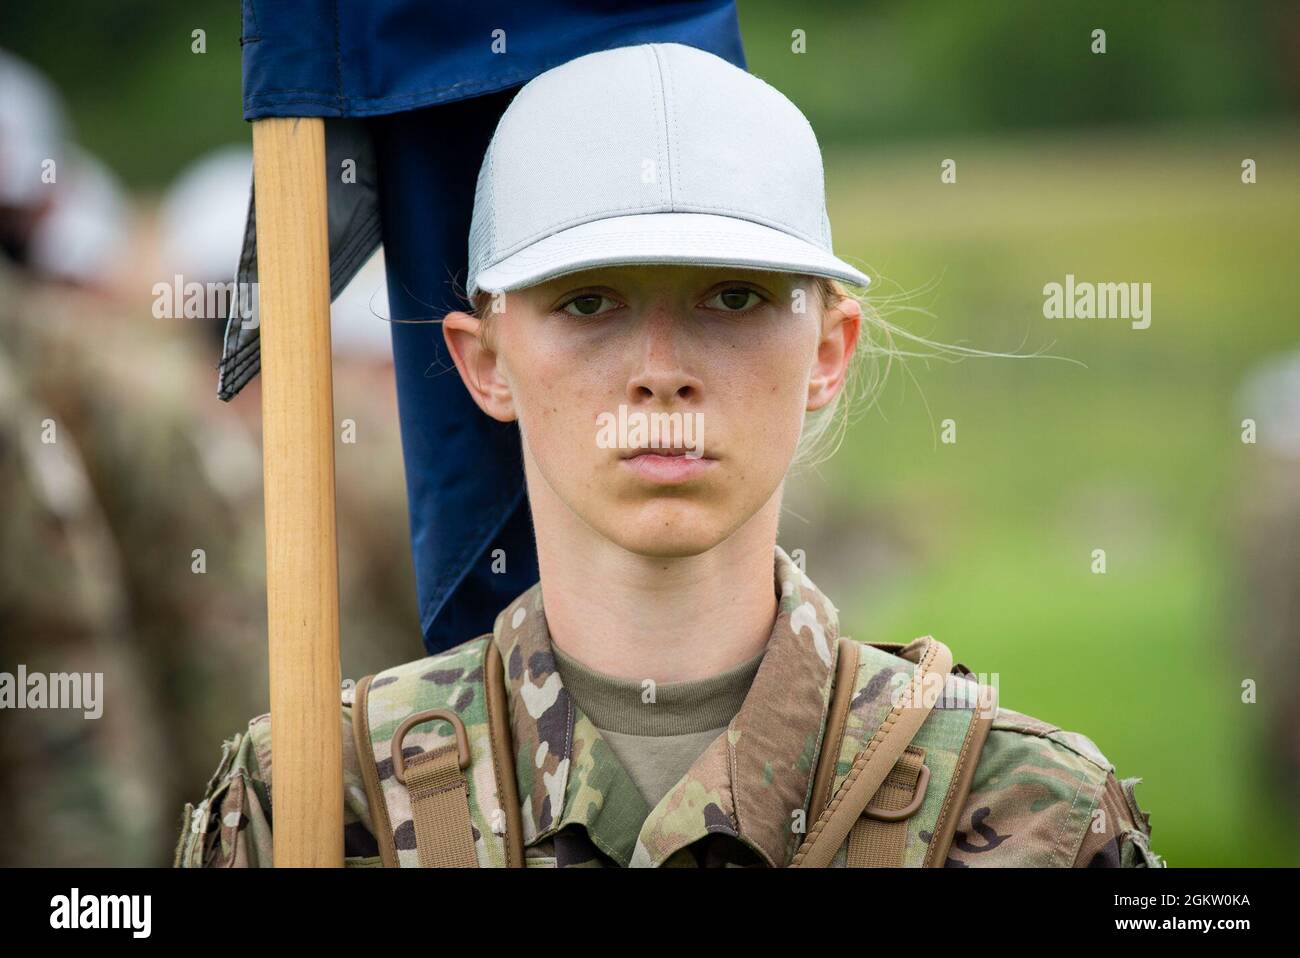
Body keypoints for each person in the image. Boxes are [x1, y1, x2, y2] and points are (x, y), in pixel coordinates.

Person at [175, 43, 1162, 869]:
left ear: (827, 351)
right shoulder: (310, 797)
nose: (661, 371)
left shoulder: (1039, 813)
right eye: (588, 302)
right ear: (485, 364)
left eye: (731, 298)